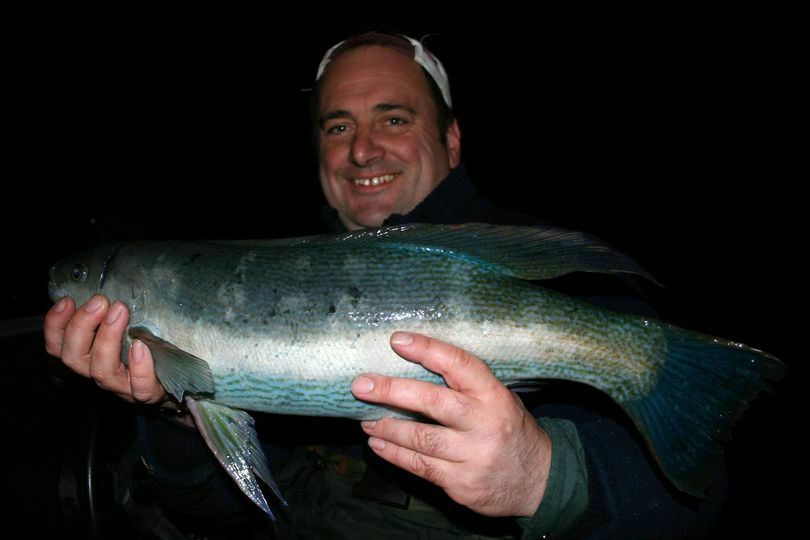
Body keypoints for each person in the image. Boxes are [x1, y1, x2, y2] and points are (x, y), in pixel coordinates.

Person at [44, 32, 725, 538]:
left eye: (393, 119)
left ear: (453, 141)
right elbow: (216, 514)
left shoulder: (554, 277)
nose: (362, 149)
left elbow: (696, 503)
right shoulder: (268, 268)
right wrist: (169, 407)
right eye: (338, 127)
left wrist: (541, 475)